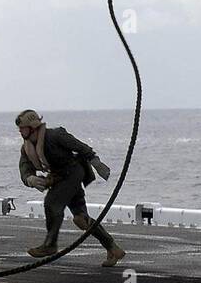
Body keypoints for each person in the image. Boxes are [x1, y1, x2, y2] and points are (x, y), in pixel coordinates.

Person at [16, 109, 125, 267]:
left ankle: (50, 245)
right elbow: (25, 169)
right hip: (61, 179)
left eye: (23, 128)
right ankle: (112, 247)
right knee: (81, 220)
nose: (20, 131)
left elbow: (80, 146)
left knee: (52, 204)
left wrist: (96, 162)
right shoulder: (27, 148)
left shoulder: (55, 135)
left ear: (32, 127)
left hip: (73, 173)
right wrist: (30, 179)